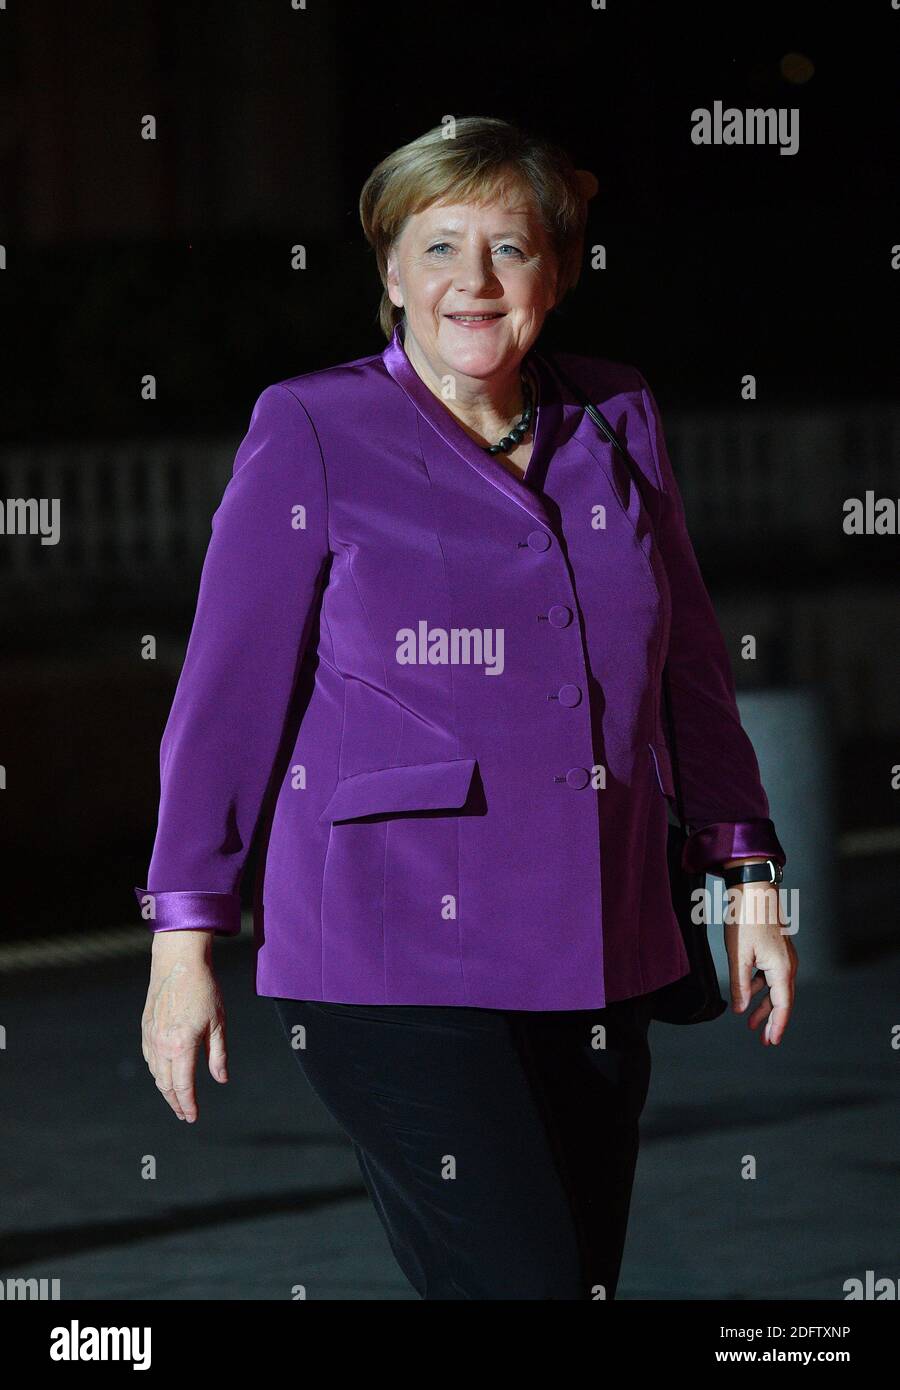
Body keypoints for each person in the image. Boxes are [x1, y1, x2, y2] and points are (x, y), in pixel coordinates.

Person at [137, 116, 795, 1300]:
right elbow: (226, 699)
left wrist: (749, 874)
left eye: (511, 247)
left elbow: (686, 663)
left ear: (563, 269)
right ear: (390, 272)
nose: (474, 284)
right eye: (439, 249)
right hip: (393, 957)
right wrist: (183, 940)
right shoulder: (313, 427)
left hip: (604, 942)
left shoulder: (618, 415)